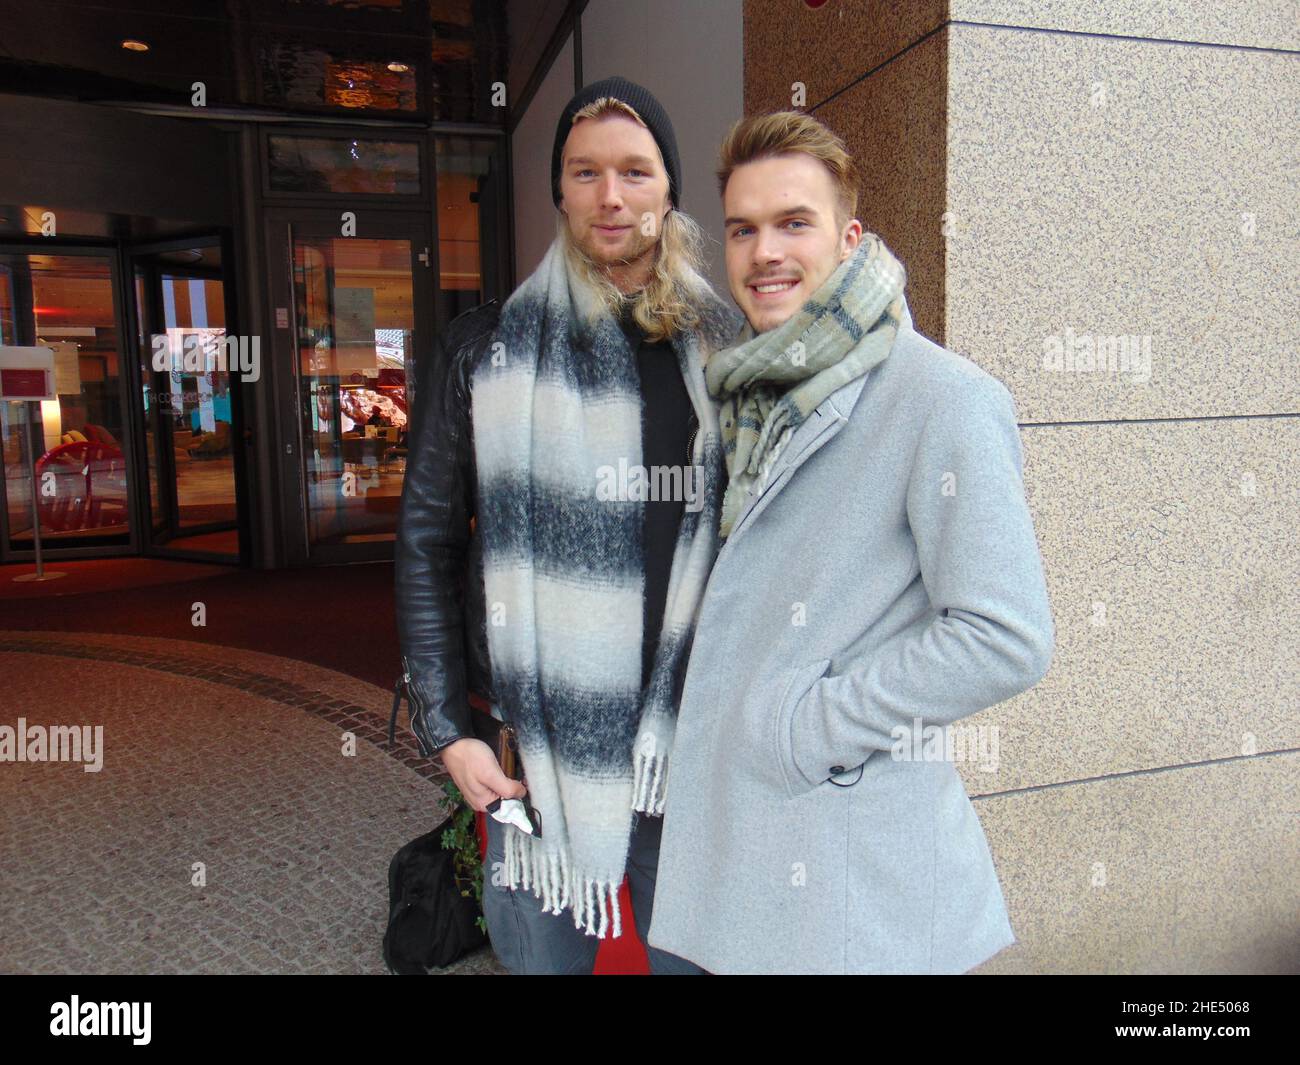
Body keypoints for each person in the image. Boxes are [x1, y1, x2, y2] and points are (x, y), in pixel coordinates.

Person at [645, 111, 1056, 974]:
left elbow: (1004, 635)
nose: (766, 253)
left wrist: (809, 723)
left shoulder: (940, 397)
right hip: (731, 839)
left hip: (842, 868)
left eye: (795, 223)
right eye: (745, 229)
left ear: (850, 236)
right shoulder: (740, 396)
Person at [394, 76, 741, 974]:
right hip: (534, 754)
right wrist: (446, 726)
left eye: (635, 171)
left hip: (685, 744)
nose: (611, 196)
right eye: (585, 172)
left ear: (670, 191)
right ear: (559, 190)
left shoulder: (723, 347)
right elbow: (428, 544)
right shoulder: (484, 349)